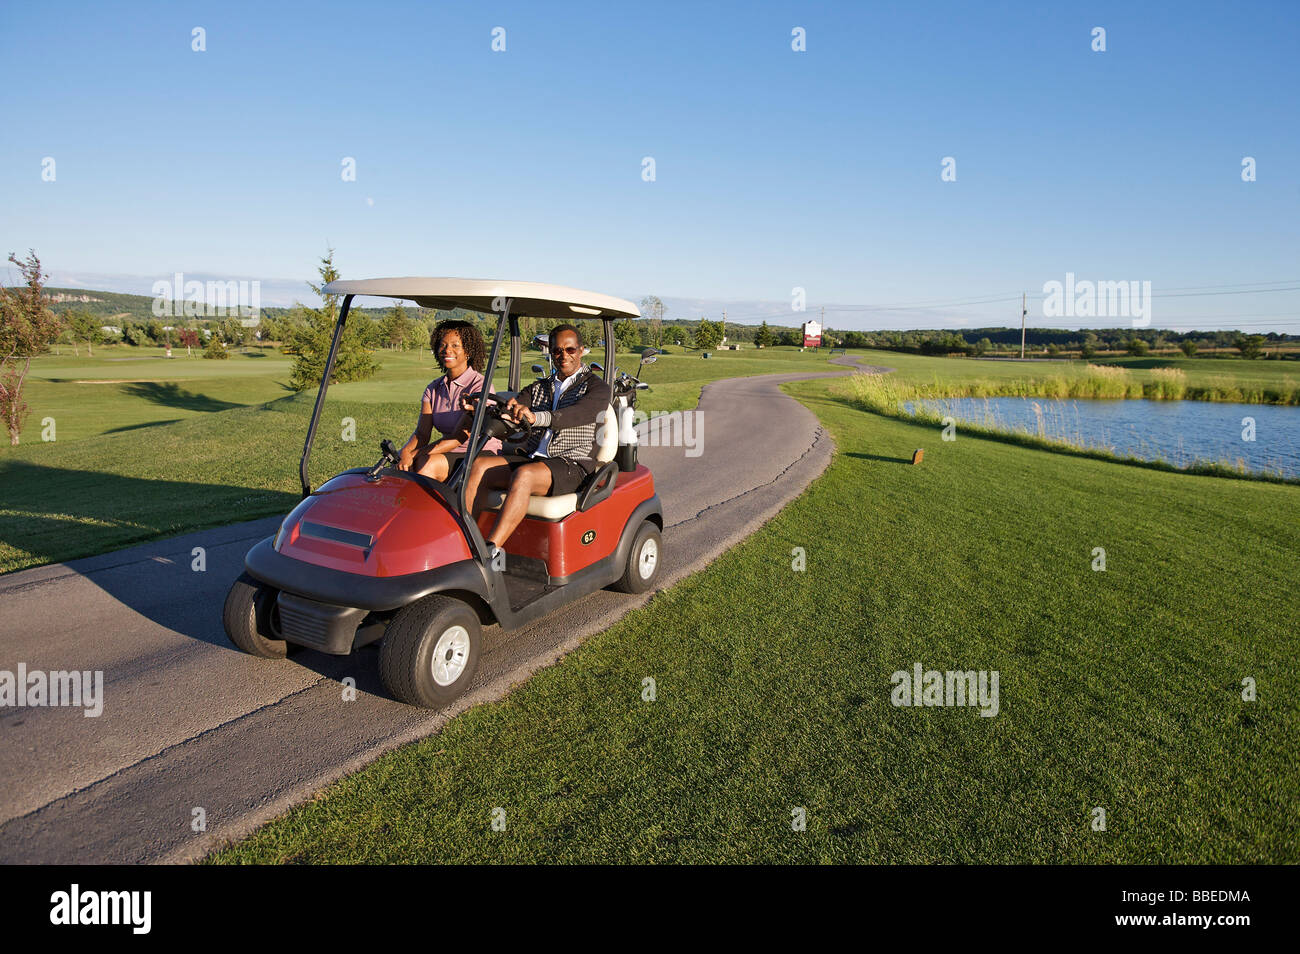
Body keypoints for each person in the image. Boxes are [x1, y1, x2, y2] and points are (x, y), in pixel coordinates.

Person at [461, 323, 611, 556]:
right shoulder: (540, 387)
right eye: (557, 351)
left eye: (570, 350)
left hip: (572, 464)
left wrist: (536, 417)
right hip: (533, 458)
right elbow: (513, 411)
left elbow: (575, 415)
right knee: (479, 466)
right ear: (551, 353)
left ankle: (489, 552)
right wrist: (479, 410)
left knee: (524, 475)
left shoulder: (597, 388)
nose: (564, 356)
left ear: (581, 351)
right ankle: (463, 541)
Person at [396, 320, 501, 480]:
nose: (447, 350)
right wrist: (405, 452)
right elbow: (422, 433)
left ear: (468, 351)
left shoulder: (479, 386)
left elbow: (459, 436)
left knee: (426, 463)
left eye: (455, 345)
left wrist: (414, 454)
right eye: (443, 345)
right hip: (448, 453)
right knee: (399, 467)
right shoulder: (434, 388)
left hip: (481, 453)